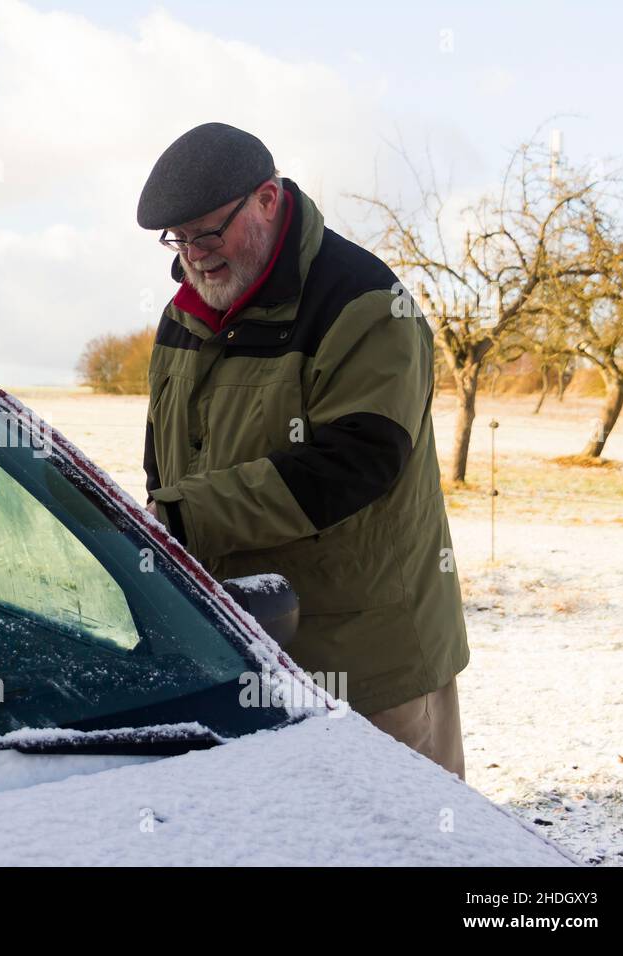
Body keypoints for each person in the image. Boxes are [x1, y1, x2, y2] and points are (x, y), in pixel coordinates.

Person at [137, 122, 469, 779]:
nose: (194, 255)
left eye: (209, 232)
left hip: (368, 661)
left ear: (266, 199)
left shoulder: (365, 305)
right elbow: (164, 458)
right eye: (177, 239)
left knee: (394, 845)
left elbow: (356, 462)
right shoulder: (184, 312)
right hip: (240, 652)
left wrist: (188, 515)